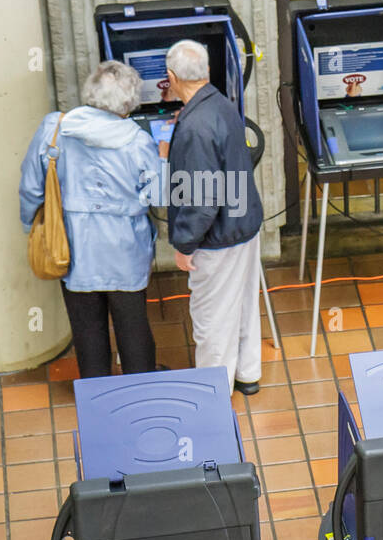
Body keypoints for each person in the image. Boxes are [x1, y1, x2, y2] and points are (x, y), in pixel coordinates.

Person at [19, 61, 160, 378]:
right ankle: (143, 394)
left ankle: (98, 402)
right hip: (126, 252)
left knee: (87, 331)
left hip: (74, 248)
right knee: (133, 327)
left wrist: (34, 229)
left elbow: (30, 188)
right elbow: (158, 196)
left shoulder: (54, 129)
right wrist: (163, 158)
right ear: (129, 103)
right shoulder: (138, 141)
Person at [163, 39, 264, 395]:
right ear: (206, 71)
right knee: (243, 306)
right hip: (244, 224)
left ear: (171, 77)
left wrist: (184, 244)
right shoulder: (221, 104)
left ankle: (214, 392)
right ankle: (247, 374)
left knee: (211, 320)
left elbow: (200, 201)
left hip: (216, 238)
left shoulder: (194, 128)